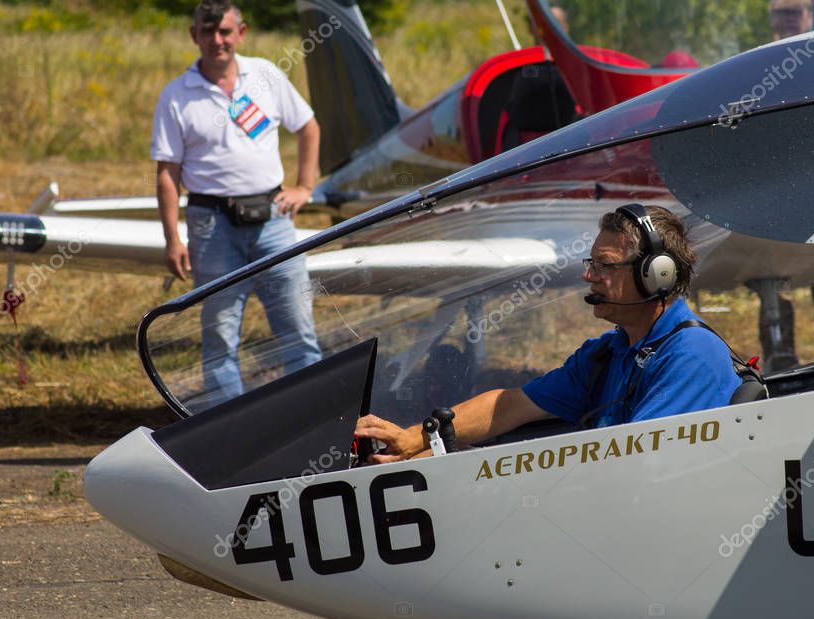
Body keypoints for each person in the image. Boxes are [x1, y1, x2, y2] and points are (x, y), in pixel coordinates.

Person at [356, 205, 741, 464]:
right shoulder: (605, 355)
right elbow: (509, 406)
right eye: (591, 263)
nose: (588, 276)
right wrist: (415, 442)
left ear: (656, 275)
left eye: (604, 265)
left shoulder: (690, 355)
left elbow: (634, 464)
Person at [151, 0, 323, 405]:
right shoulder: (176, 96)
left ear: (241, 33)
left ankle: (314, 415)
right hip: (212, 226)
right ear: (194, 35)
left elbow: (308, 126)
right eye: (208, 32)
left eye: (225, 31)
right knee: (220, 335)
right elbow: (167, 173)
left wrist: (304, 186)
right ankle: (230, 426)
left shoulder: (266, 75)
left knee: (298, 326)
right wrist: (172, 239)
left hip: (273, 220)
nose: (217, 40)